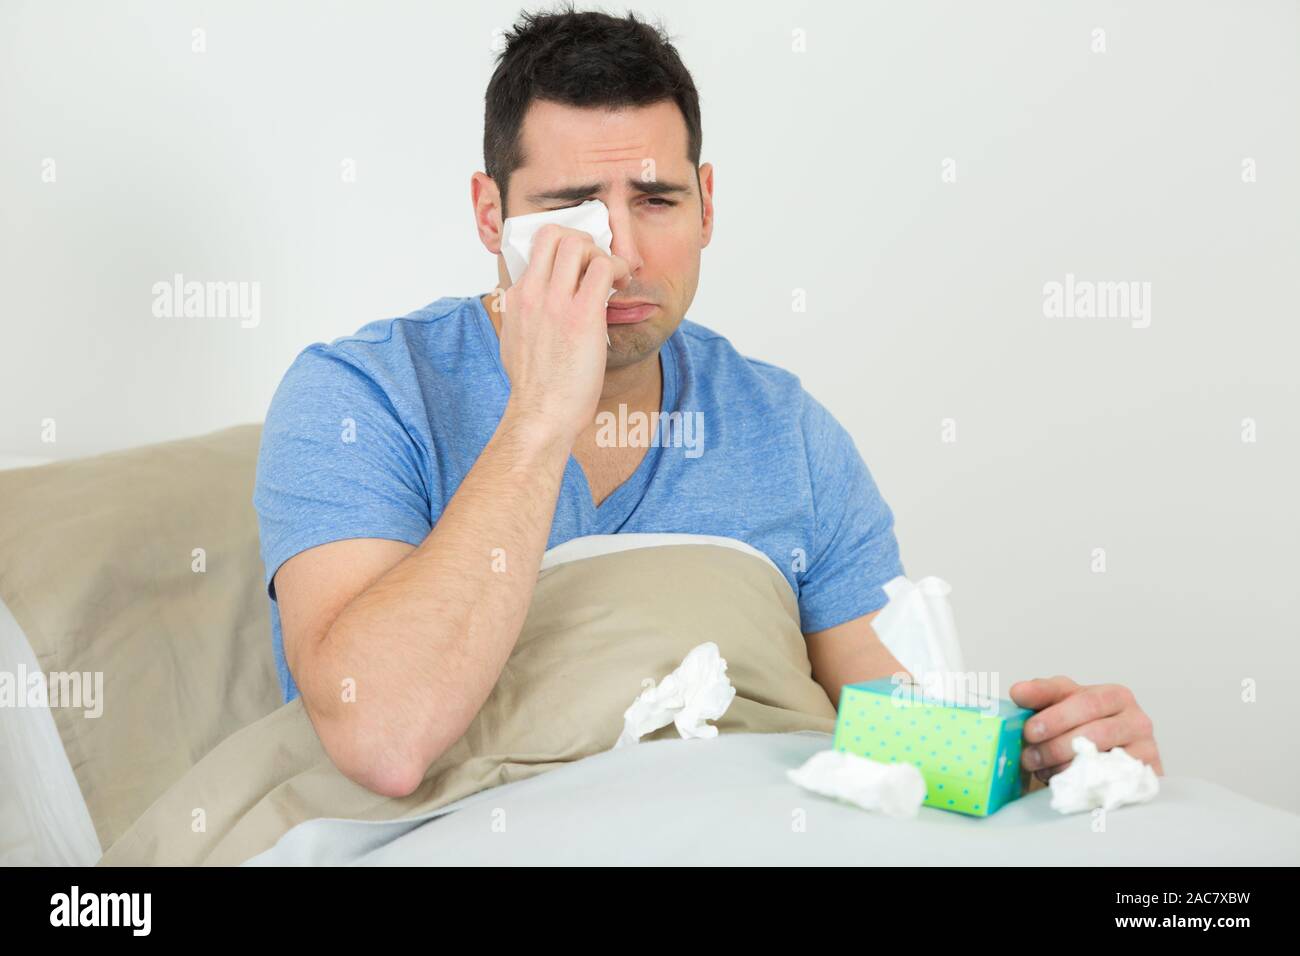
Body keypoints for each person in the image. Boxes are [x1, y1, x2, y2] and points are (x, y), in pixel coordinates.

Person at [253, 5, 1161, 798]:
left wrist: (1045, 758)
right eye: (573, 208)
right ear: (491, 216)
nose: (623, 257)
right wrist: (539, 418)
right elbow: (380, 739)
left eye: (656, 199)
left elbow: (902, 739)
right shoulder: (361, 397)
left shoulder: (784, 429)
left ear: (708, 204)